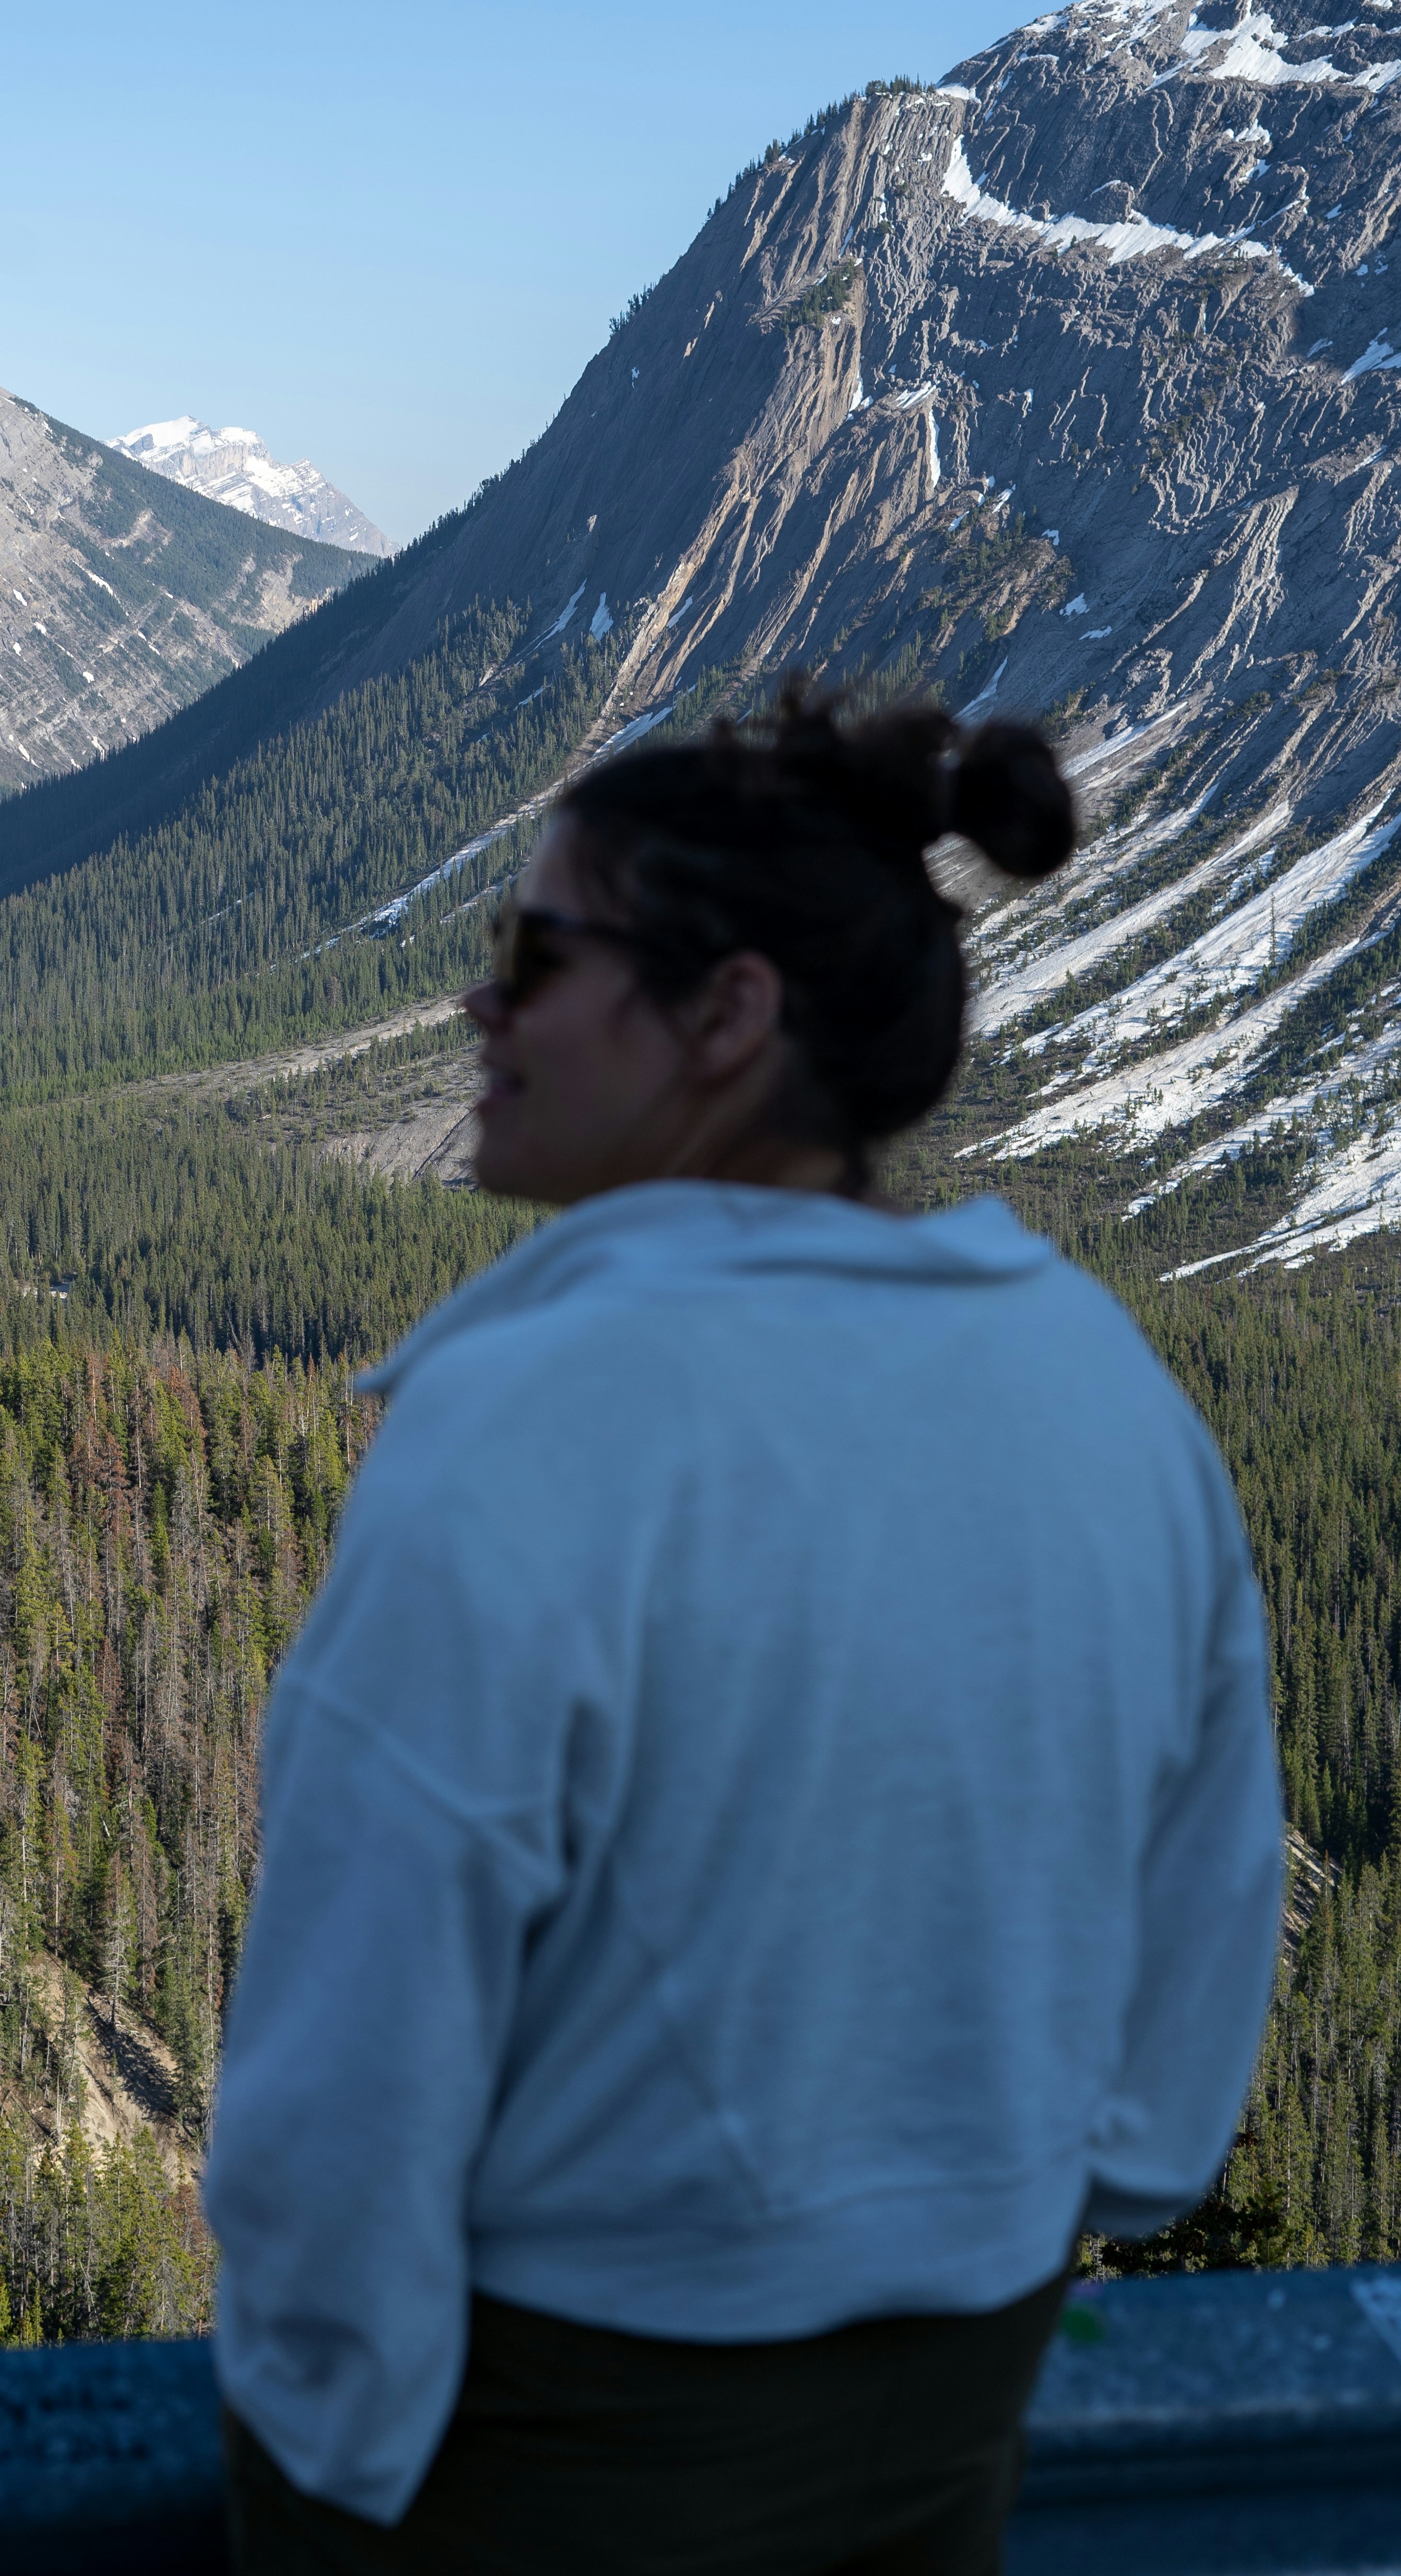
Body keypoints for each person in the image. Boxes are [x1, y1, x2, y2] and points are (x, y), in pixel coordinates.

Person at [205, 690, 1283, 2576]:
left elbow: (348, 2097)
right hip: (959, 2430)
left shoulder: (532, 1421)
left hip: (557, 2467)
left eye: (536, 952)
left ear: (730, 1013)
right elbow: (1187, 2013)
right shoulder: (1104, 1390)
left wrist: (323, 2472)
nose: (481, 1006)